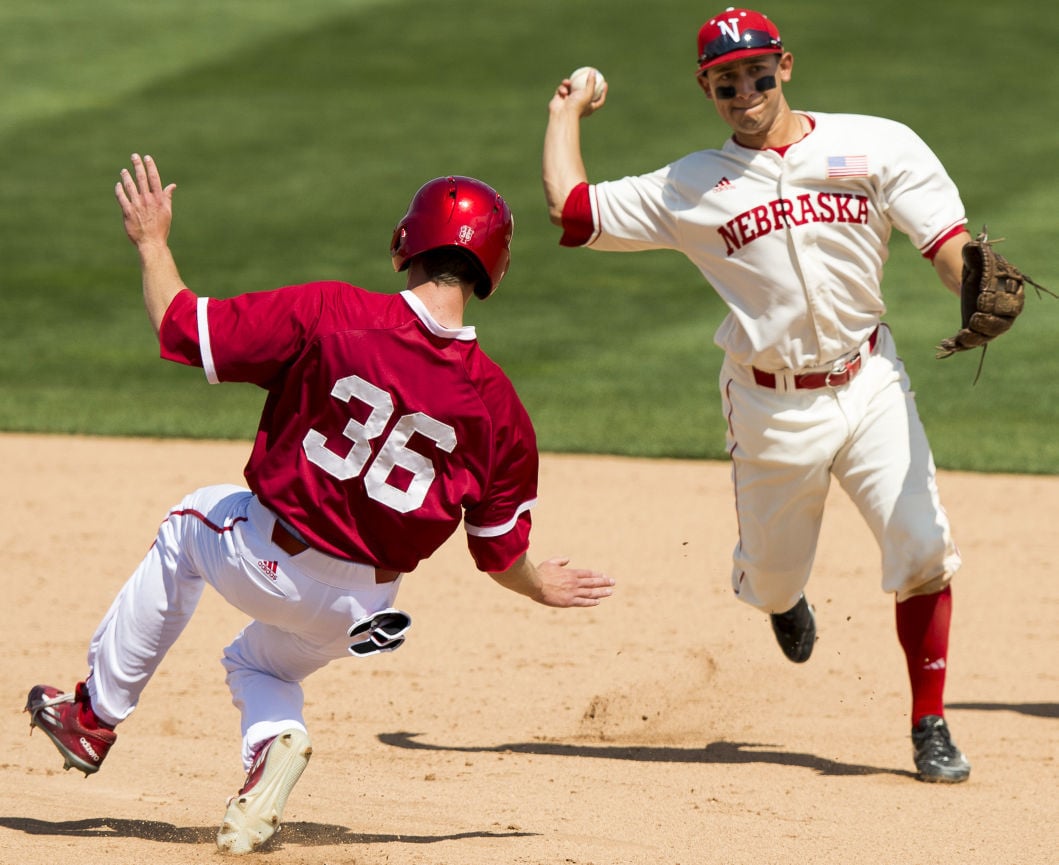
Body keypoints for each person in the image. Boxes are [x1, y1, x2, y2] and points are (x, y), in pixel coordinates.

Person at [25, 154, 615, 854]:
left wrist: (152, 242)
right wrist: (540, 585)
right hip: (361, 613)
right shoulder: (500, 406)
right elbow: (497, 551)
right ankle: (273, 743)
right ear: (494, 269)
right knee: (261, 665)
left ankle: (93, 717)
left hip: (265, 559)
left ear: (407, 242)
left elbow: (183, 328)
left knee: (187, 525)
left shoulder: (333, 313)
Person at [542, 7, 972, 783]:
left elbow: (945, 243)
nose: (745, 92)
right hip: (770, 405)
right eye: (725, 82)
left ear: (785, 66)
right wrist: (564, 112)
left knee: (922, 546)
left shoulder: (876, 143)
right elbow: (572, 212)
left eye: (757, 73)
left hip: (870, 381)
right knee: (772, 576)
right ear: (705, 89)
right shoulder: (691, 184)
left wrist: (974, 286)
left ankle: (928, 721)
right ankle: (780, 598)